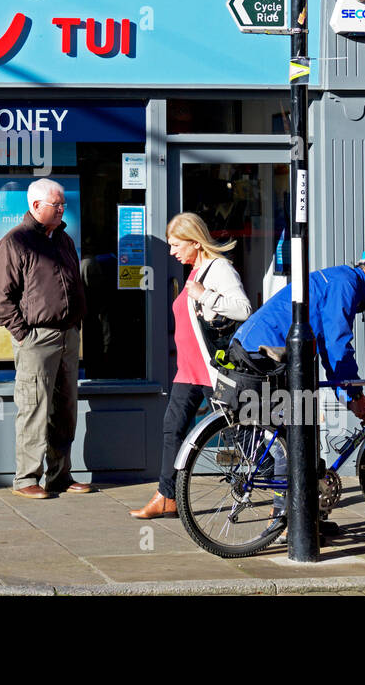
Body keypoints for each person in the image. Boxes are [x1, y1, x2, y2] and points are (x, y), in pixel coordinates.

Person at [131, 213, 252, 519]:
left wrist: (205, 295)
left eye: (176, 245)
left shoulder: (218, 269)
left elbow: (243, 308)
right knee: (172, 430)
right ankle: (166, 496)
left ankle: (286, 493)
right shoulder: (194, 270)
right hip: (188, 371)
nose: (172, 251)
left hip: (214, 370)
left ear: (195, 243)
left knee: (243, 434)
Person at [0, 178, 92, 499]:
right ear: (35, 206)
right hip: (37, 338)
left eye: (63, 204)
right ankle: (26, 479)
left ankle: (60, 475)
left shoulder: (64, 241)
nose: (62, 209)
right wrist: (24, 335)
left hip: (68, 335)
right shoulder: (16, 243)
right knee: (34, 406)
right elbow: (1, 299)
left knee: (64, 409)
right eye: (56, 205)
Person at [229, 245, 365, 428]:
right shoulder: (345, 285)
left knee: (301, 425)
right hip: (263, 351)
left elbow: (328, 348)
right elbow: (337, 346)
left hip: (253, 345)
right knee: (296, 432)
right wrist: (356, 395)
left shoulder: (341, 279)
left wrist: (348, 396)